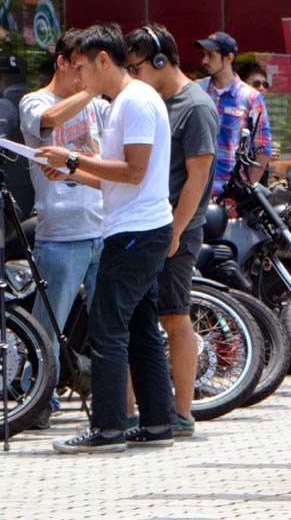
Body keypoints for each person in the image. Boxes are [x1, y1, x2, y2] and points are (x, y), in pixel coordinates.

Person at [38, 24, 176, 453]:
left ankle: (109, 428)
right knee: (139, 326)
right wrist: (73, 170)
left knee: (108, 326)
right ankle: (157, 424)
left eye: (81, 66)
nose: (78, 77)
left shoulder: (134, 101)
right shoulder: (124, 102)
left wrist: (73, 159)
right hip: (137, 227)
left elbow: (134, 172)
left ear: (102, 59)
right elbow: (122, 178)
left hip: (136, 231)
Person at [124, 23, 219, 438]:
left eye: (136, 67)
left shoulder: (195, 106)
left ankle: (182, 414)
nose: (132, 75)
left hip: (177, 228)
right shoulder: (150, 101)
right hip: (146, 225)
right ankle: (130, 413)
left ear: (161, 61)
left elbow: (198, 178)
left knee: (174, 316)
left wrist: (176, 232)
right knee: (136, 317)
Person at [18, 28, 106, 430]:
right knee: (47, 327)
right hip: (61, 232)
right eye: (80, 66)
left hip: (103, 226)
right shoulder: (35, 101)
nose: (86, 75)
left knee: (109, 323)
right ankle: (37, 400)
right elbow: (50, 120)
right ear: (62, 63)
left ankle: (111, 398)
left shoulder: (98, 105)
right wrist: (92, 89)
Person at [194, 31, 270, 194]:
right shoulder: (196, 90)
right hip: (196, 191)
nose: (204, 60)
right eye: (204, 55)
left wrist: (246, 189)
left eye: (210, 55)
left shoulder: (251, 98)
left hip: (231, 195)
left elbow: (263, 150)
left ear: (229, 57)